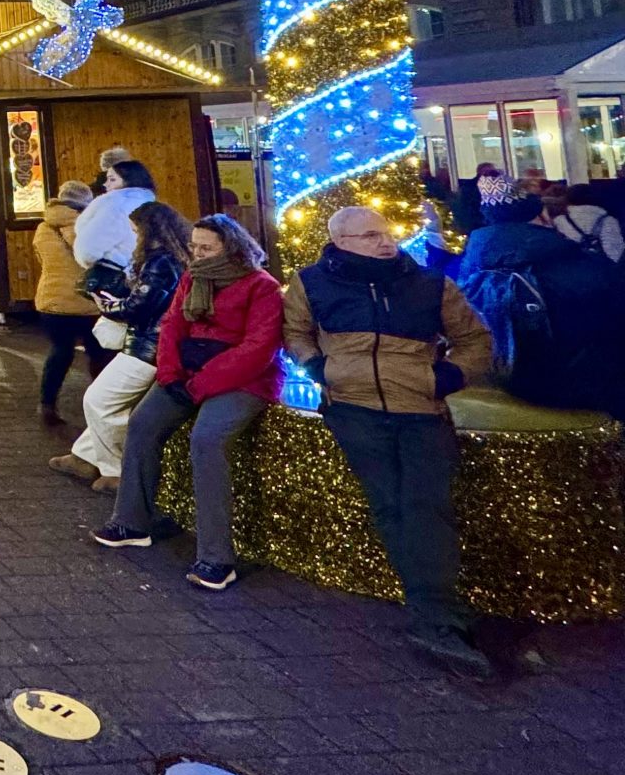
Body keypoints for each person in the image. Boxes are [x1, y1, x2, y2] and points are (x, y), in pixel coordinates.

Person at [285, 205, 495, 678]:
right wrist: (319, 368)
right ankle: (433, 611)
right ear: (340, 241)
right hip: (352, 408)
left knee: (426, 504)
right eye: (369, 236)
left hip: (419, 408)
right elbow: (296, 331)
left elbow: (475, 339)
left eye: (386, 233)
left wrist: (445, 378)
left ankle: (436, 613)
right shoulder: (312, 283)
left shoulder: (429, 285)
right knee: (391, 505)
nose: (385, 243)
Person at [93, 213, 283, 592]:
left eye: (206, 248)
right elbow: (172, 327)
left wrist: (199, 385)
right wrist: (170, 374)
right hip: (188, 373)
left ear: (230, 247)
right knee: (143, 423)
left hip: (241, 380)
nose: (197, 253)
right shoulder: (193, 278)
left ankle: (217, 557)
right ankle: (132, 521)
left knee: (207, 440)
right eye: (194, 246)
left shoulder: (261, 286)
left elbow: (257, 348)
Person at [52, 199, 190, 493]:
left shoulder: (159, 262)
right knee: (111, 401)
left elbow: (139, 307)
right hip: (156, 344)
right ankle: (84, 456)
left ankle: (116, 470)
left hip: (147, 347)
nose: (134, 238)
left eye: (136, 232)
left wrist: (106, 305)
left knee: (100, 400)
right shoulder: (173, 259)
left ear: (150, 231)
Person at [457, 177, 625, 416]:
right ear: (541, 215)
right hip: (580, 388)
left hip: (503, 382)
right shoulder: (575, 267)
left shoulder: (470, 268)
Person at [33, 179, 114, 424]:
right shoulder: (90, 226)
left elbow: (42, 259)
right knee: (100, 353)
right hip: (89, 301)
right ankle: (102, 407)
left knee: (60, 351)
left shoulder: (43, 227)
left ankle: (47, 403)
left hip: (52, 301)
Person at [72, 159, 157, 350]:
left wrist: (88, 260)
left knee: (110, 335)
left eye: (112, 179)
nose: (105, 184)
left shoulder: (115, 204)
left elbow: (88, 248)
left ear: (128, 181)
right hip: (142, 275)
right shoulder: (148, 202)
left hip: (114, 278)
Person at [554, 182, 625, 263]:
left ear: (568, 199)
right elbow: (615, 251)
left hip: (571, 266)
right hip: (602, 267)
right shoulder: (608, 221)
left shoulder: (559, 221)